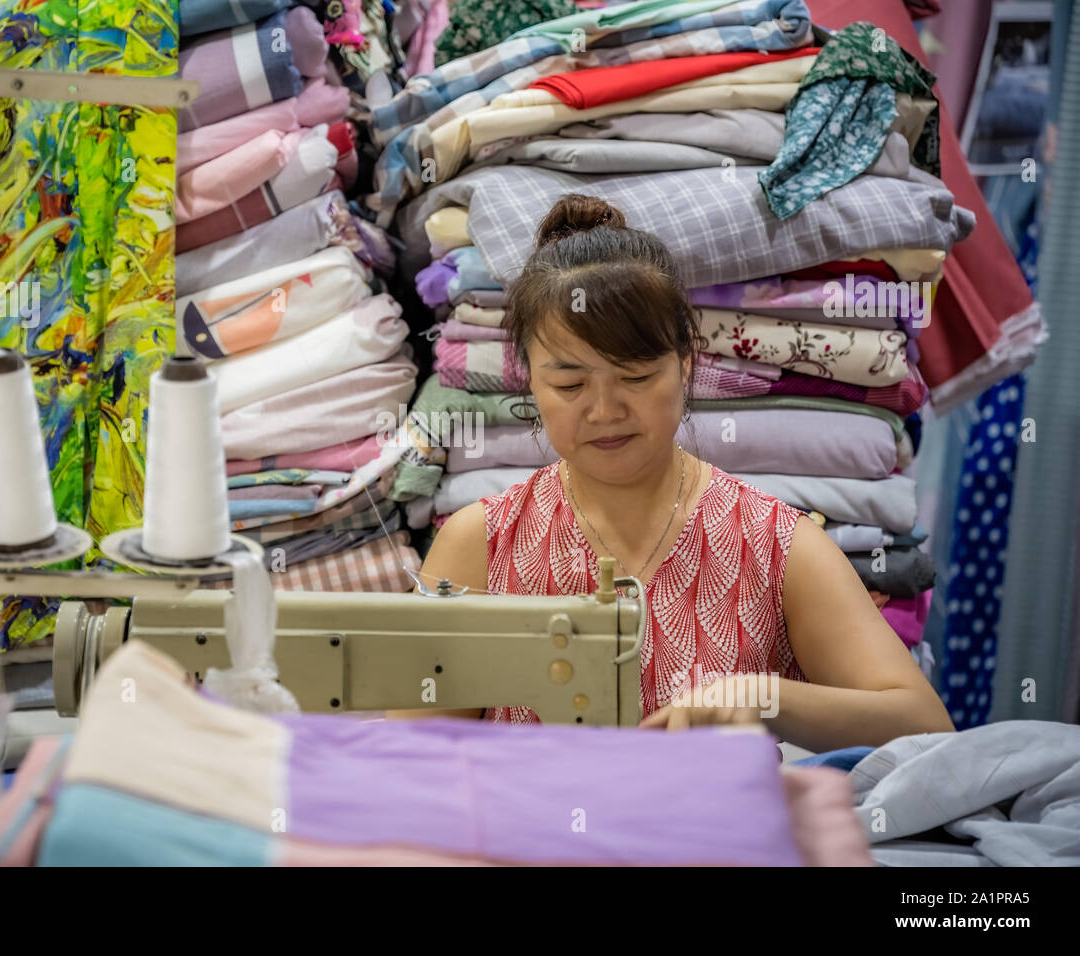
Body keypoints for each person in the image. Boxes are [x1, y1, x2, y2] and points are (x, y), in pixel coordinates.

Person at [392, 194, 953, 753]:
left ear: (686, 363)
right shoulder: (482, 545)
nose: (605, 409)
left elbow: (925, 727)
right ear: (529, 380)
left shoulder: (777, 546)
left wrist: (765, 699)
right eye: (569, 384)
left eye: (635, 376)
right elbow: (407, 759)